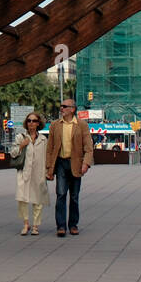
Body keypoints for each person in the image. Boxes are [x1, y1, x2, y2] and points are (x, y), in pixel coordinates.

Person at [45, 99, 94, 237]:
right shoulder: (55, 125)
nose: (62, 108)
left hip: (76, 164)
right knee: (60, 194)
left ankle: (73, 225)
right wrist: (49, 168)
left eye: (65, 106)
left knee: (74, 196)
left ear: (72, 109)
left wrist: (86, 163)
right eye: (61, 106)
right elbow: (49, 148)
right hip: (61, 163)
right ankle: (61, 226)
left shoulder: (82, 125)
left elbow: (88, 147)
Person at [12, 113, 50, 235]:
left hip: (39, 172)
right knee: (22, 199)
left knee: (37, 199)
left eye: (34, 121)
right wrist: (22, 145)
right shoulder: (20, 137)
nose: (31, 123)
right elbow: (12, 153)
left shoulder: (43, 139)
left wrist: (48, 171)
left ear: (38, 123)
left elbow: (46, 157)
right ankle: (26, 223)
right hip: (24, 172)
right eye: (29, 121)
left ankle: (35, 225)